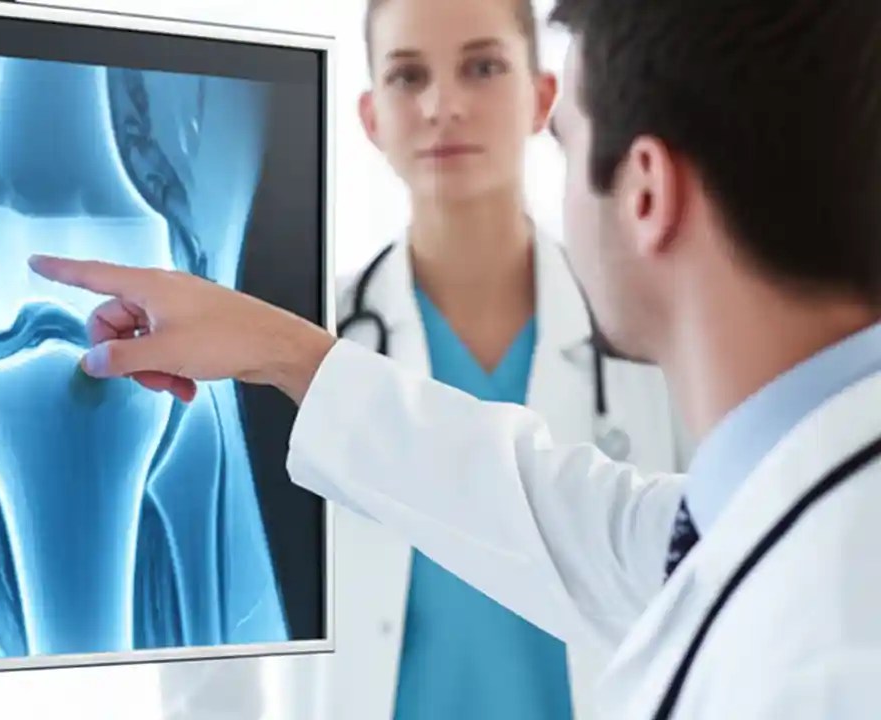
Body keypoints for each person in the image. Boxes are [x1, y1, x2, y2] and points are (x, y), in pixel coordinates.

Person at [31, 0, 881, 716]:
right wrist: (287, 351)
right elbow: (580, 525)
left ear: (646, 193)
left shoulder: (823, 657)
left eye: (565, 137)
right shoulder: (780, 514)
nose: (444, 106)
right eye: (408, 75)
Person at [157, 0, 689, 717]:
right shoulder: (287, 339)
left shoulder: (652, 342)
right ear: (371, 117)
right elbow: (218, 617)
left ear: (543, 98)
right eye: (409, 77)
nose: (444, 105)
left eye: (483, 67)